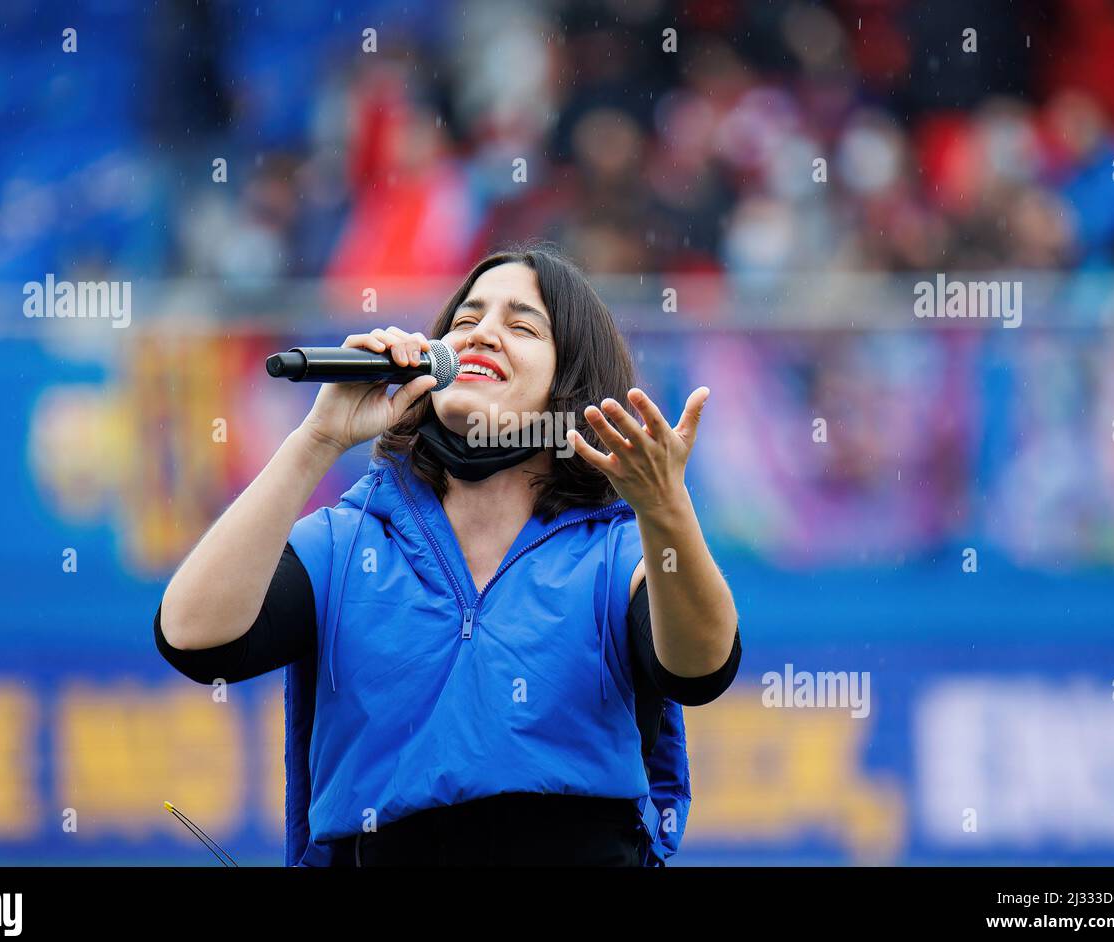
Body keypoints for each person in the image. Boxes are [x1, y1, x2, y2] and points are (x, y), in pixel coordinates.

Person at [155, 244, 741, 866]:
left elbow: (701, 668)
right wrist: (317, 440)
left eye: (521, 326)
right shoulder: (346, 540)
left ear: (572, 379)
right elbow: (193, 637)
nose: (482, 333)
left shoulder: (621, 547)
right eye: (465, 322)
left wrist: (665, 511)